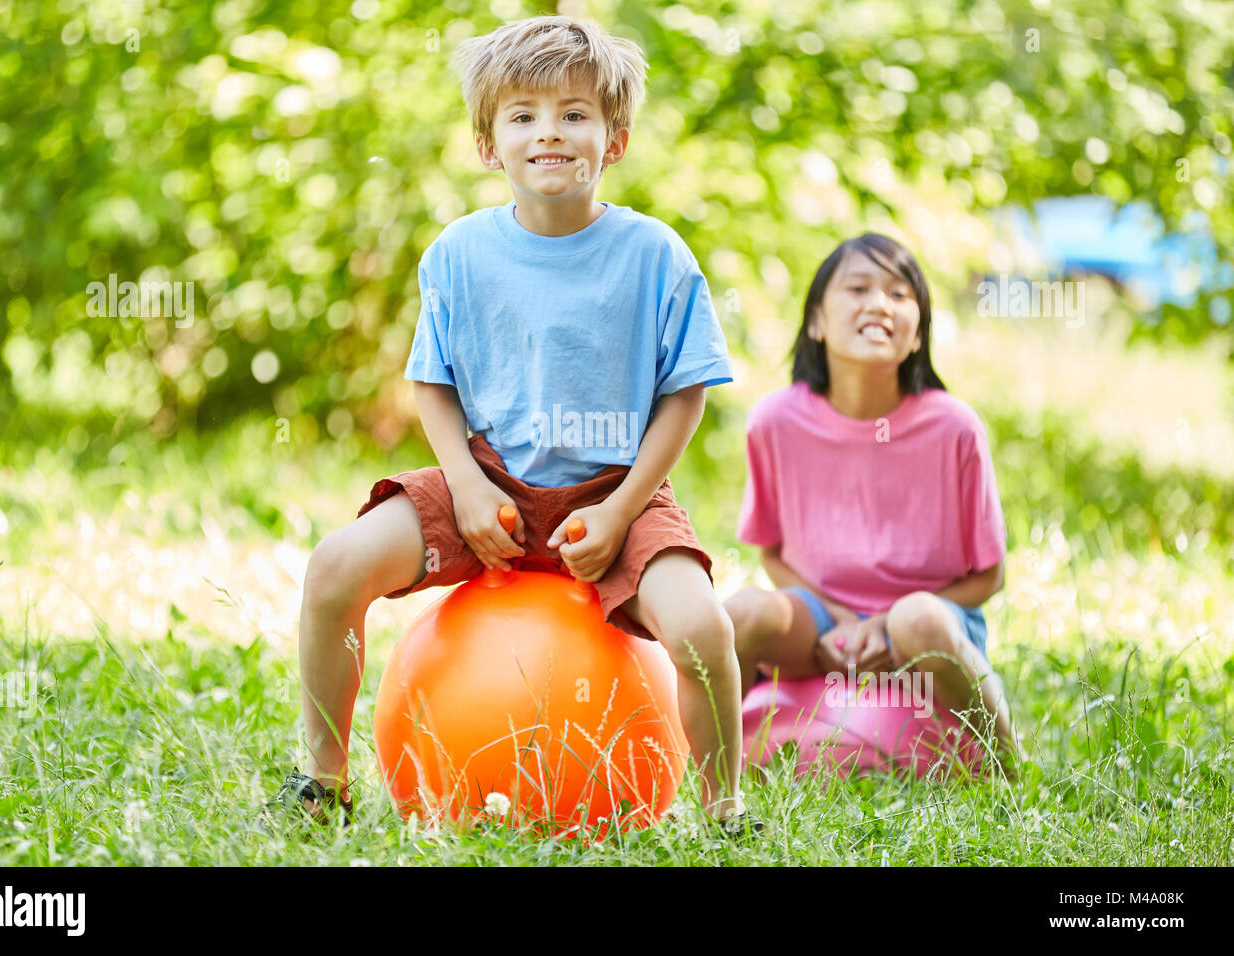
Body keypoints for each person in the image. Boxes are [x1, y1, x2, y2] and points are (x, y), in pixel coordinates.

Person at [263, 15, 757, 835]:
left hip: (614, 491)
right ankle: (324, 778)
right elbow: (434, 381)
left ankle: (727, 812)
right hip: (488, 483)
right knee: (335, 567)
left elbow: (685, 395)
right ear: (489, 145)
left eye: (574, 113)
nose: (549, 133)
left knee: (703, 624)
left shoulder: (656, 254)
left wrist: (624, 508)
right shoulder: (458, 253)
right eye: (522, 116)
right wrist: (460, 485)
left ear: (616, 138)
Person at [724, 232, 1024, 774]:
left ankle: (1008, 762)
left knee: (918, 617)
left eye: (899, 293)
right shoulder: (774, 421)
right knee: (740, 613)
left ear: (916, 336)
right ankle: (706, 771)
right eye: (858, 288)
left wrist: (884, 625)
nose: (879, 304)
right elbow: (772, 554)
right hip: (818, 623)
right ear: (816, 321)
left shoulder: (954, 427)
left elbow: (989, 577)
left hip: (928, 632)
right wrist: (842, 623)